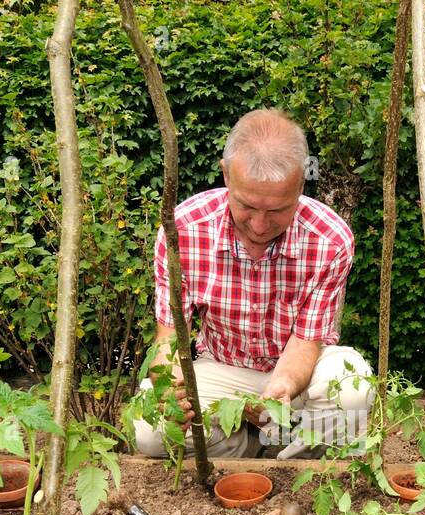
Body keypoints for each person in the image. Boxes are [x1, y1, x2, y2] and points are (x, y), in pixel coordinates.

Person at [132, 108, 374, 459]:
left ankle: (306, 459)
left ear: (300, 185)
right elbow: (169, 339)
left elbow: (308, 342)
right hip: (221, 370)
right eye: (247, 206)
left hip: (295, 372)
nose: (260, 226)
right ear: (226, 175)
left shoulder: (329, 239)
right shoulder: (183, 231)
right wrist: (170, 387)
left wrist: (284, 385)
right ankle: (244, 447)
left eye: (278, 210)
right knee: (151, 432)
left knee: (353, 389)